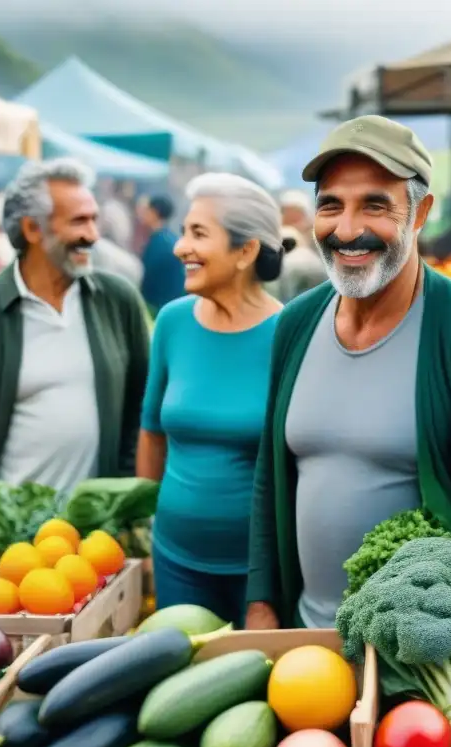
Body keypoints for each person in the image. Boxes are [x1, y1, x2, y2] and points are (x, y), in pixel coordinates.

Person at [245, 115, 451, 631]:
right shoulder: (296, 325)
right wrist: (261, 601)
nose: (347, 230)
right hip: (305, 646)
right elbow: (269, 479)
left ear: (421, 214)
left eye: (375, 204)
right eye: (330, 205)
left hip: (428, 660)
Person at [0, 158, 151, 511]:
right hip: (10, 536)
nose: (92, 235)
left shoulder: (118, 302)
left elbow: (142, 407)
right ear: (32, 229)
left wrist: (118, 499)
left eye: (94, 219)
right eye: (79, 221)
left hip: (94, 535)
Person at [136, 173, 283, 625]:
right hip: (175, 558)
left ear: (246, 251)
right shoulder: (173, 322)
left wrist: (270, 587)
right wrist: (146, 534)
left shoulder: (289, 333)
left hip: (260, 575)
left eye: (199, 234)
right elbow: (151, 433)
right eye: (184, 232)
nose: (181, 248)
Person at [139, 194, 186, 312]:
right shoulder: (170, 238)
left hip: (158, 305)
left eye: (146, 210)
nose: (142, 214)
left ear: (155, 212)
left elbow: (147, 274)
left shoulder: (161, 243)